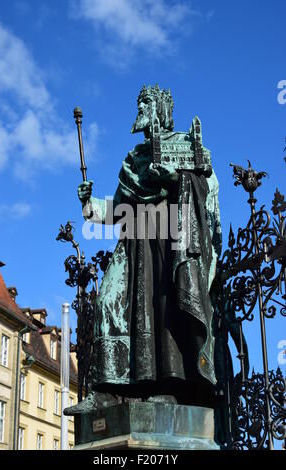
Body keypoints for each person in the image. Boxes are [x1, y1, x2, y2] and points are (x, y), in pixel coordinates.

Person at [65, 85, 222, 415]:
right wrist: (89, 204)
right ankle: (107, 391)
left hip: (168, 242)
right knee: (109, 300)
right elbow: (120, 208)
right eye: (139, 102)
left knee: (165, 311)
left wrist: (177, 180)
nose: (141, 107)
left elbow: (208, 191)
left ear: (162, 109)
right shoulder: (134, 158)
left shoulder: (185, 145)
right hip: (135, 243)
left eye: (147, 102)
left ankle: (171, 387)